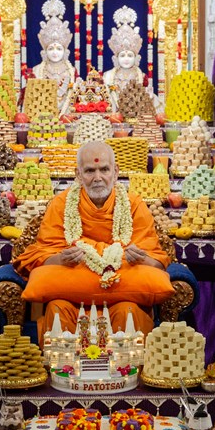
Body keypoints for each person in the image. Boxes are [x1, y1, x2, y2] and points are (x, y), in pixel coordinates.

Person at [14, 141, 169, 343]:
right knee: (57, 309)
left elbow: (156, 261)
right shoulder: (61, 204)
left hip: (121, 298)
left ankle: (126, 364)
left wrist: (141, 259)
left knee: (128, 311)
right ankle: (62, 364)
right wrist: (60, 259)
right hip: (71, 299)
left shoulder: (134, 205)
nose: (98, 177)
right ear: (78, 174)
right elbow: (40, 254)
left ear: (115, 171)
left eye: (104, 169)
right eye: (89, 171)